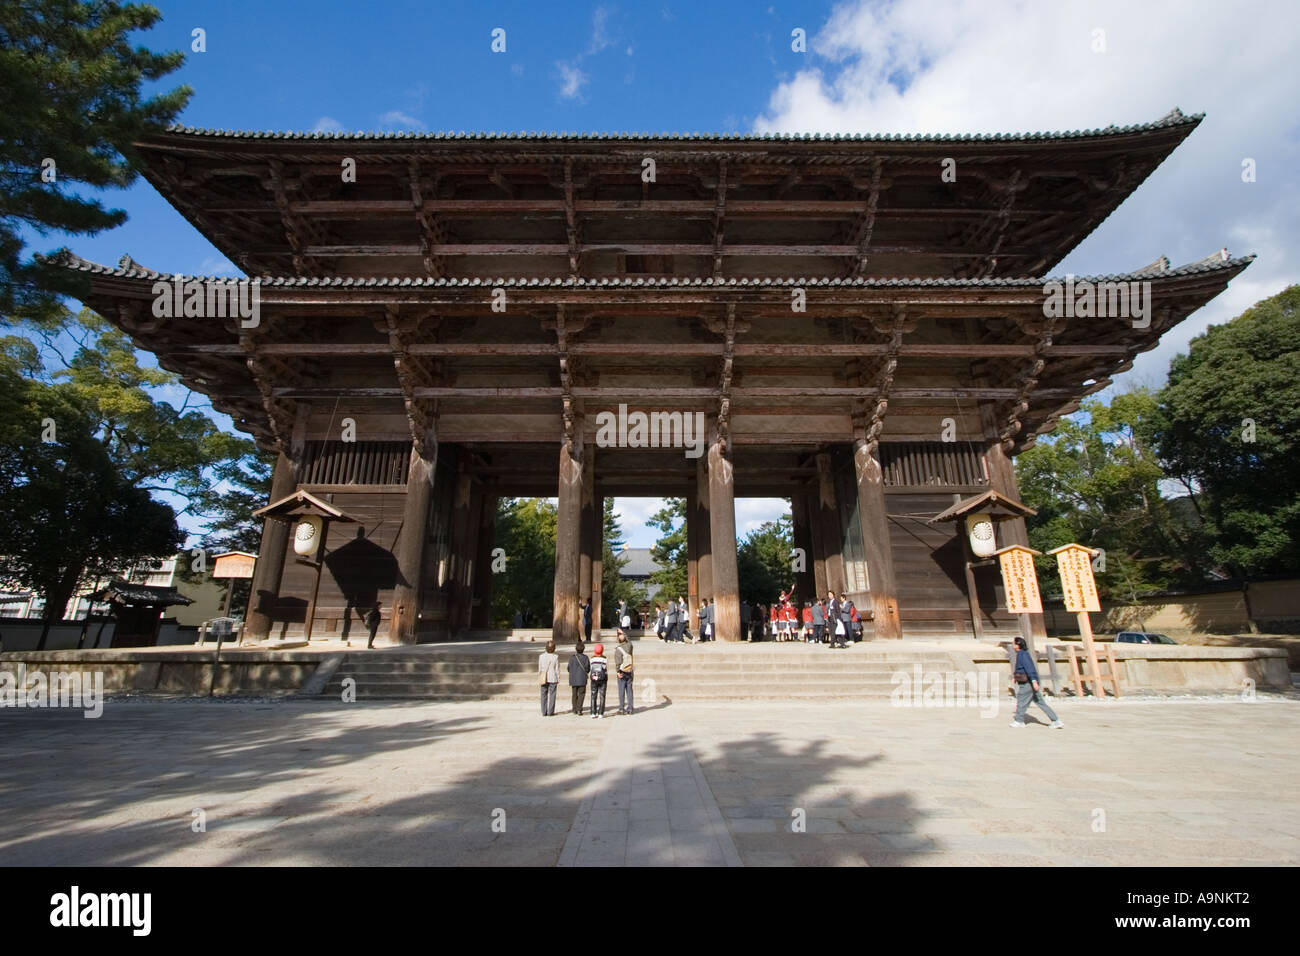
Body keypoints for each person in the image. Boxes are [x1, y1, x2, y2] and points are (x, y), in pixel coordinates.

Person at [1010, 637, 1064, 728]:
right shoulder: (1021, 654)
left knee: (1021, 700)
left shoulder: (1023, 655)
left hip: (1027, 683)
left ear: (1018, 645)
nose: (1012, 645)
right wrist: (1016, 677)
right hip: (1029, 682)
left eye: (1014, 643)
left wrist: (1034, 681)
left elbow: (1029, 668)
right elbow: (1021, 668)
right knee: (1040, 702)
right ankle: (1056, 720)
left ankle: (1019, 720)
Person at [568, 640, 591, 716]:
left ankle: (574, 709)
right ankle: (579, 709)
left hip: (573, 678)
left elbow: (568, 668)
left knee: (574, 694)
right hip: (582, 678)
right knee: (581, 693)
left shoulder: (572, 658)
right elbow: (588, 669)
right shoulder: (586, 658)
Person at [615, 629, 635, 714]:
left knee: (621, 690)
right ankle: (630, 708)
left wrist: (618, 671)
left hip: (622, 671)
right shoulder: (629, 646)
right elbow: (629, 640)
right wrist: (623, 633)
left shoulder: (618, 649)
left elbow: (618, 663)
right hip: (629, 670)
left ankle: (621, 708)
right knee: (629, 690)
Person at [538, 639, 560, 716]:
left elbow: (540, 668)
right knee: (552, 694)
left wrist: (539, 676)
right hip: (553, 677)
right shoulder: (555, 657)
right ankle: (551, 711)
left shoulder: (541, 656)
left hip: (544, 676)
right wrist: (558, 678)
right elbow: (557, 669)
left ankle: (543, 711)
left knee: (543, 694)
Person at [589, 642, 609, 718]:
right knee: (602, 695)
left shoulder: (592, 658)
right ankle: (601, 712)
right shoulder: (604, 659)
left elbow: (591, 668)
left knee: (593, 695)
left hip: (594, 678)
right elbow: (606, 668)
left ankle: (593, 712)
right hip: (602, 679)